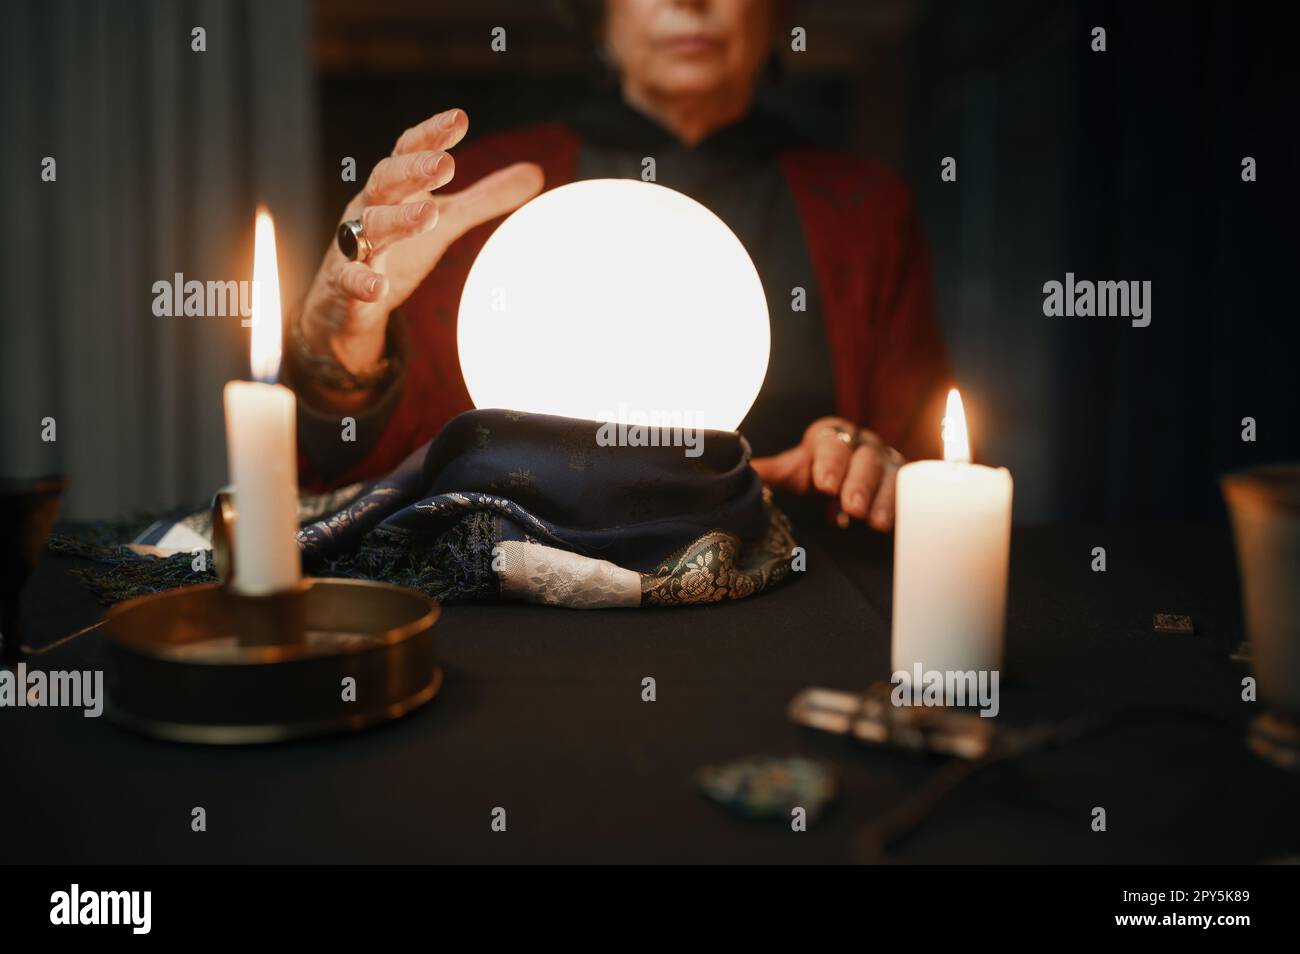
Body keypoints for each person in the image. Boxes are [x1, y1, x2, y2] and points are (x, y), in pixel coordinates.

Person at [286, 0, 951, 530]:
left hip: (792, 596)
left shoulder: (865, 212)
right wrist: (339, 344)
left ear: (774, 12)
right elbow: (376, 469)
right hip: (532, 610)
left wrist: (865, 469)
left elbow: (930, 464)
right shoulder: (481, 199)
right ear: (599, 12)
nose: (690, 3)